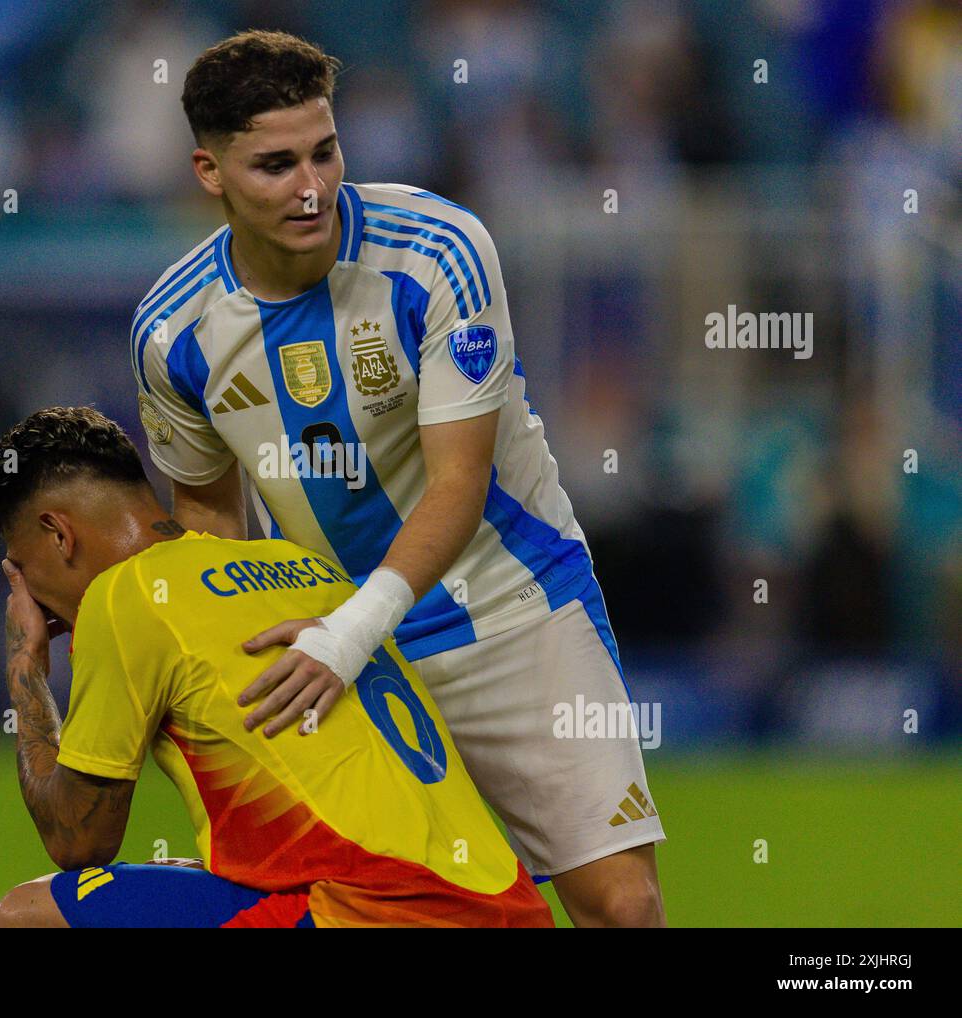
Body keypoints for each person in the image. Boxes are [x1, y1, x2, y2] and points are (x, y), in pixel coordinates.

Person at [130, 29, 666, 926]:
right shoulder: (172, 333)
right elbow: (209, 521)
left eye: (325, 152)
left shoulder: (438, 249)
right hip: (336, 658)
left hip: (513, 609)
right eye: (274, 165)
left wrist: (350, 634)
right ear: (209, 173)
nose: (312, 188)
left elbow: (460, 480)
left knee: (623, 907)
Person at [0, 405, 553, 927]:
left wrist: (27, 668)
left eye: (23, 570)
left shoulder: (126, 595)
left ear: (58, 535)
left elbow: (77, 838)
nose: (34, 598)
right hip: (510, 907)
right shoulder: (302, 565)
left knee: (29, 915)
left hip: (374, 910)